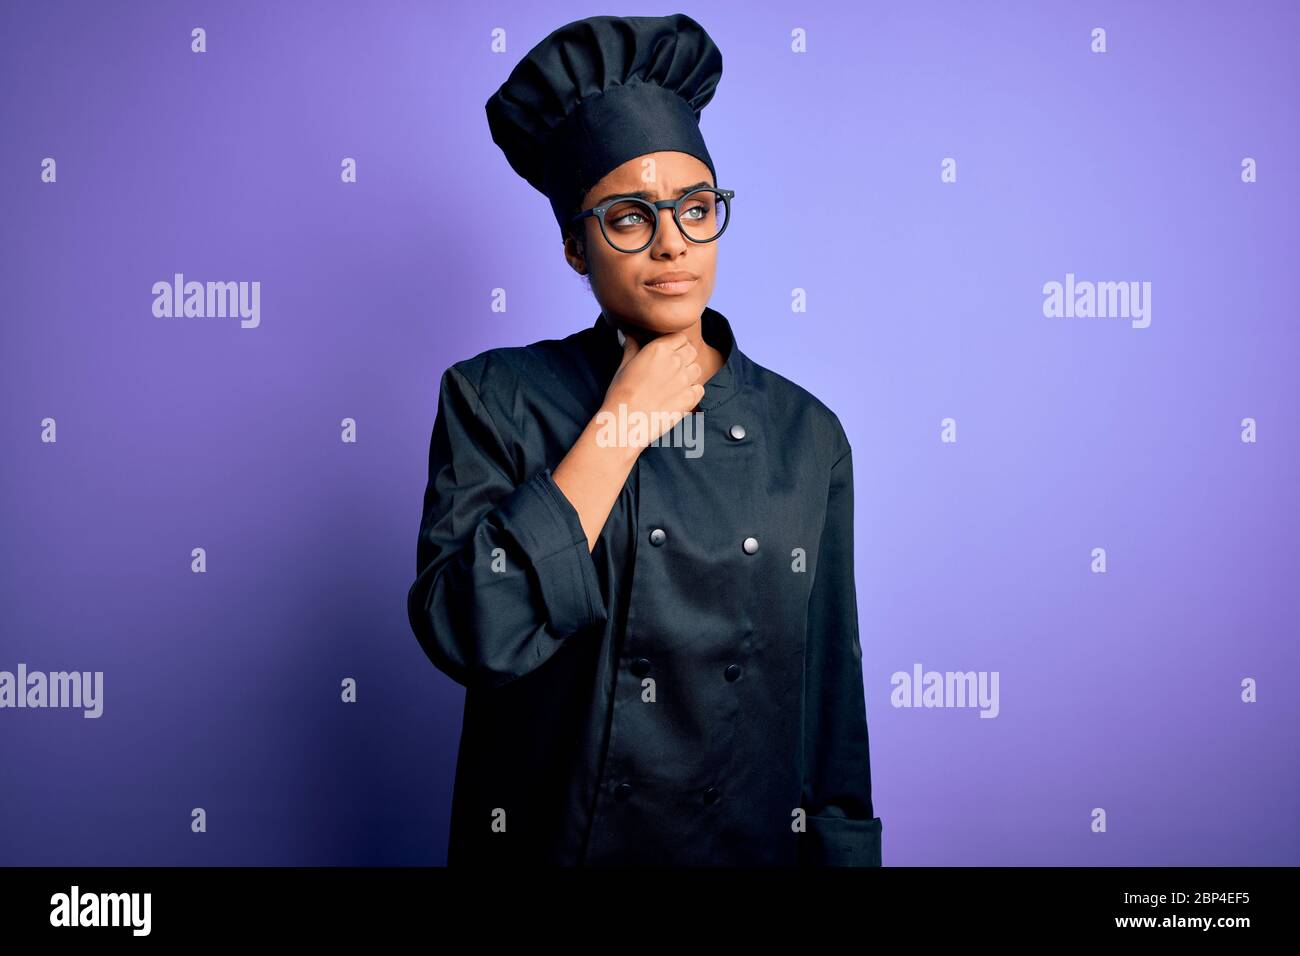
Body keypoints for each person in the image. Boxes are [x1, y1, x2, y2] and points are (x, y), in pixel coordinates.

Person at [407, 13, 882, 866]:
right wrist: (619, 424)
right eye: (629, 216)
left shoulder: (808, 436)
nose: (672, 242)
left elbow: (831, 711)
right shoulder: (494, 397)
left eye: (695, 209)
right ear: (574, 248)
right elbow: (468, 632)